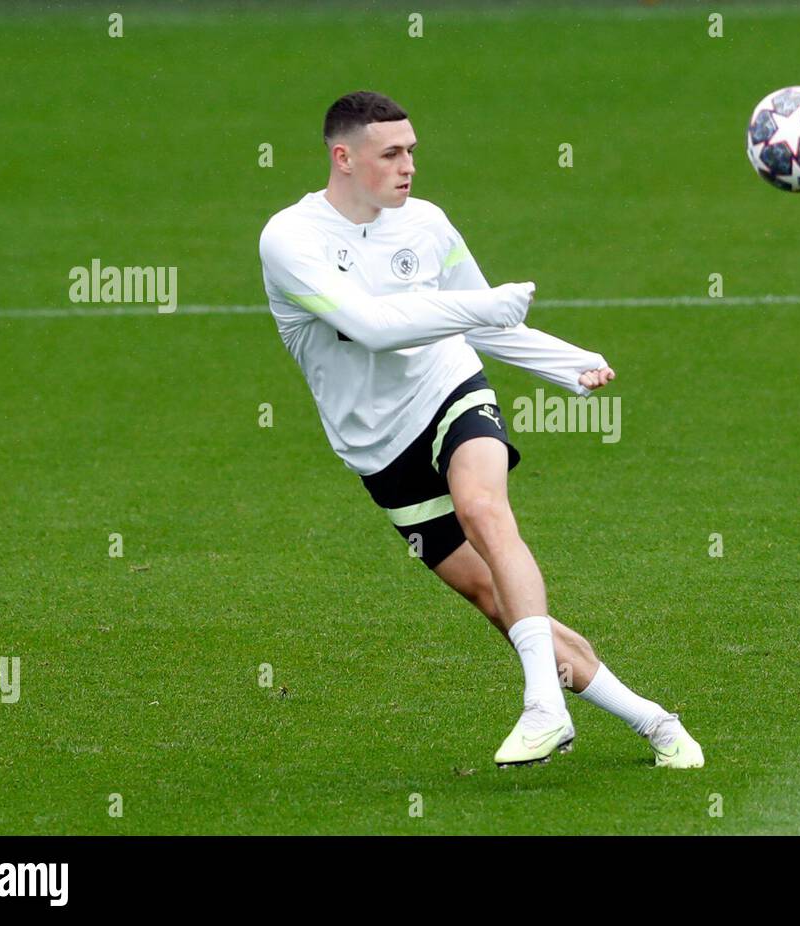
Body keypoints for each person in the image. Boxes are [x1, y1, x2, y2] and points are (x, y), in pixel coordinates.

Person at [258, 91, 703, 768]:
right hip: (377, 445)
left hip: (448, 388)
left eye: (412, 151)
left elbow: (480, 324)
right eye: (391, 153)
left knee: (484, 506)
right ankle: (657, 723)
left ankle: (542, 707)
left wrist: (563, 363)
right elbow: (374, 328)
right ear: (342, 157)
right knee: (493, 598)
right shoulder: (291, 240)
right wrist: (479, 304)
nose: (408, 166)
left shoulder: (426, 223)